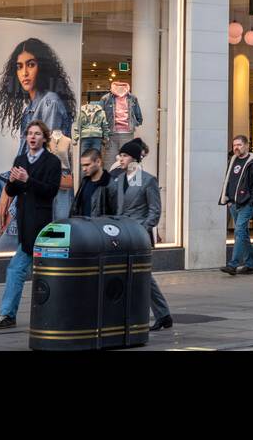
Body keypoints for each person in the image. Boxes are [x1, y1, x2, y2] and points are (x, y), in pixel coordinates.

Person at [0, 120, 61, 330]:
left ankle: (8, 314)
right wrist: (12, 181)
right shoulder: (20, 159)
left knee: (17, 268)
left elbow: (51, 192)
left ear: (44, 138)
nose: (32, 137)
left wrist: (28, 180)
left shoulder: (52, 162)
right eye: (30, 133)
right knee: (35, 271)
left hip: (41, 227)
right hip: (24, 224)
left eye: (37, 134)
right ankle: (13, 314)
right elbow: (12, 192)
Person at [100, 138, 172, 331]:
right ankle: (158, 315)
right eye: (120, 155)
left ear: (134, 159)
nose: (120, 158)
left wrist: (142, 229)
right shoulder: (118, 178)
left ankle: (161, 314)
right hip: (122, 235)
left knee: (143, 276)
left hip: (139, 236)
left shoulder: (148, 180)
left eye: (124, 155)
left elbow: (155, 211)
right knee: (133, 276)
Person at [220, 134, 253, 276]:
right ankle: (250, 265)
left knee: (239, 231)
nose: (236, 148)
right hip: (233, 203)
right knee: (243, 234)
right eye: (234, 145)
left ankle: (233, 264)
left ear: (246, 145)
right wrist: (227, 198)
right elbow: (228, 180)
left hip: (246, 204)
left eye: (239, 145)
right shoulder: (233, 160)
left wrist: (251, 202)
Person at [99, 79, 144, 163]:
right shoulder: (106, 98)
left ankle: (125, 176)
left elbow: (138, 116)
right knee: (110, 161)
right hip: (110, 134)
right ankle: (111, 176)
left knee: (127, 161)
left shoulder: (132, 98)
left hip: (127, 133)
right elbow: (99, 116)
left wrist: (135, 123)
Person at [72, 147, 110, 217]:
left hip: (100, 226)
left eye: (87, 165)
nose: (84, 169)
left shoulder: (109, 184)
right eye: (82, 166)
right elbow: (76, 207)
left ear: (98, 162)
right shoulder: (84, 182)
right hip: (83, 225)